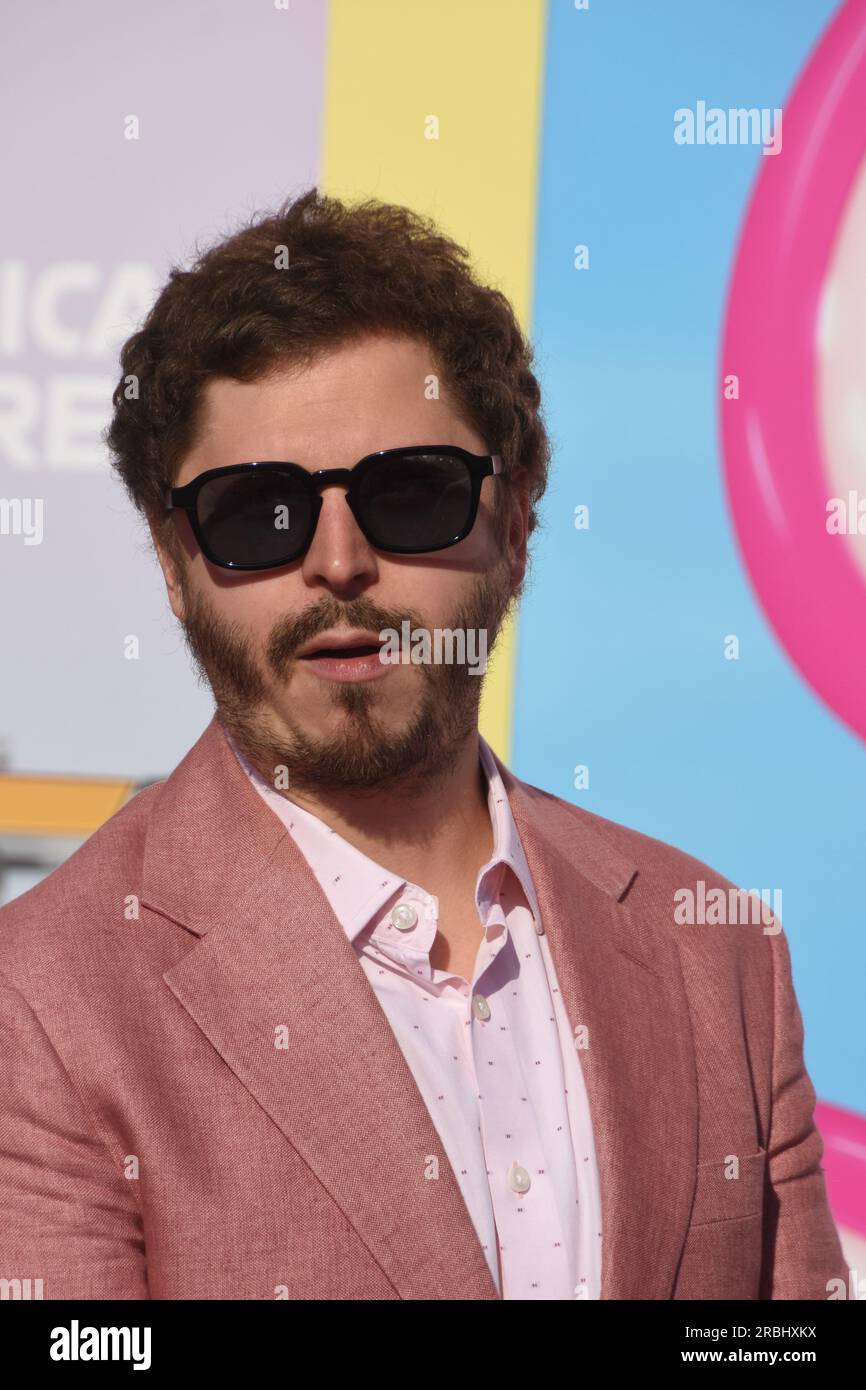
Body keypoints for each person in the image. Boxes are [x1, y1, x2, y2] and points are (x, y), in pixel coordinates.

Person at [0, 189, 848, 1300]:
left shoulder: (716, 955)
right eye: (258, 511)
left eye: (407, 493)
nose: (338, 561)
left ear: (517, 521)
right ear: (173, 562)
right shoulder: (45, 1003)